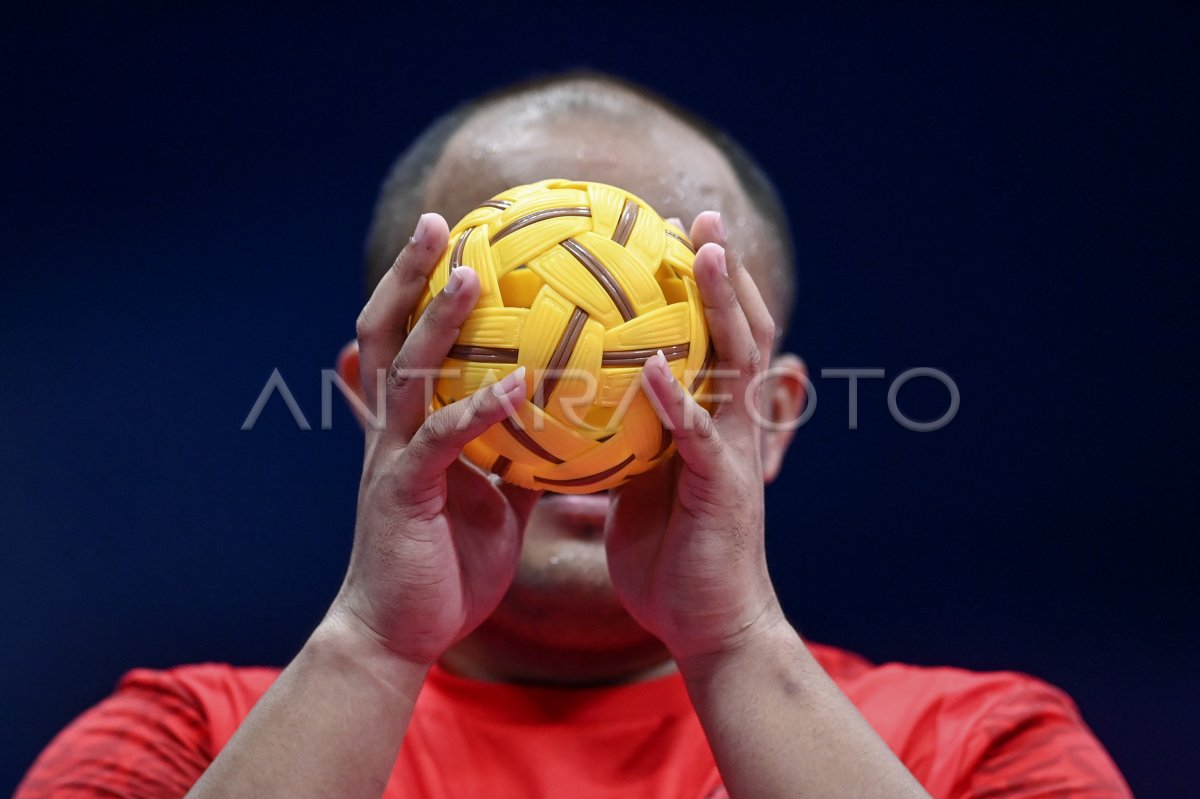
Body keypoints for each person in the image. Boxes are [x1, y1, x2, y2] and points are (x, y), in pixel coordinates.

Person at [16, 72, 1132, 799]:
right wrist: (370, 641)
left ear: (773, 416)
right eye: (495, 343)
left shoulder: (984, 746)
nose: (574, 401)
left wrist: (735, 639)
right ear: (376, 396)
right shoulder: (175, 742)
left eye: (670, 347)